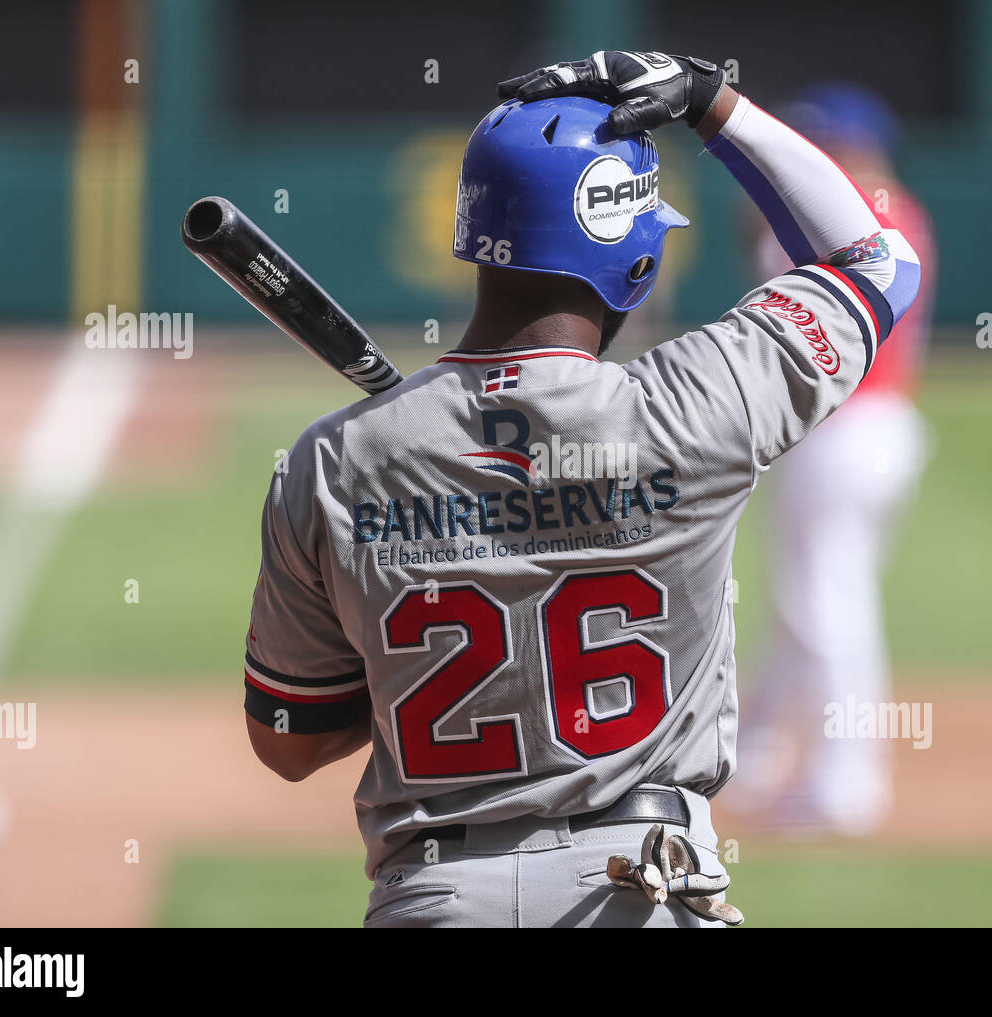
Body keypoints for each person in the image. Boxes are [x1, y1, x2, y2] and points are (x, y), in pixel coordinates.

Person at [241, 51, 920, 927]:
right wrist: (714, 102)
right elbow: (874, 256)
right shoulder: (703, 403)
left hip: (433, 899)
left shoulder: (332, 460)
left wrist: (434, 662)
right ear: (633, 258)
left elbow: (287, 742)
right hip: (642, 891)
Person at [730, 84, 935, 837]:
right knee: (809, 602)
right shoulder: (899, 210)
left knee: (827, 608)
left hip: (841, 433)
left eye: (824, 140)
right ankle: (755, 751)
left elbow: (769, 281)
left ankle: (846, 784)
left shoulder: (851, 215)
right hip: (885, 427)